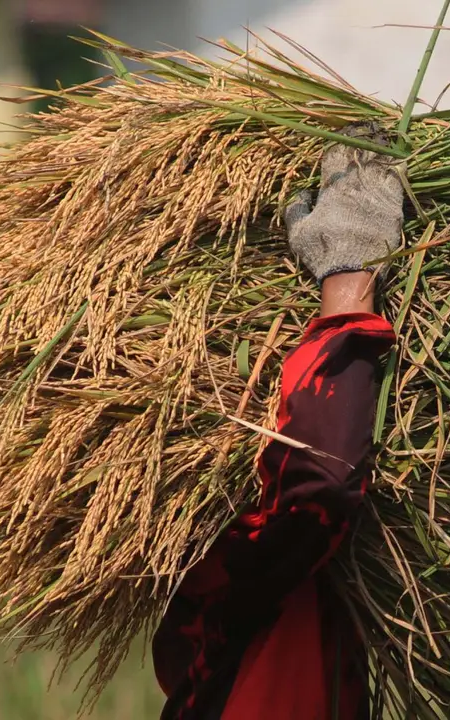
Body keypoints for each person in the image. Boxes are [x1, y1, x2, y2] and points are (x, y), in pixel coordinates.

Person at [152, 125, 406, 720]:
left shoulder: (239, 610)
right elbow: (322, 487)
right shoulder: (238, 600)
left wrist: (347, 276)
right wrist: (348, 271)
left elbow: (316, 493)